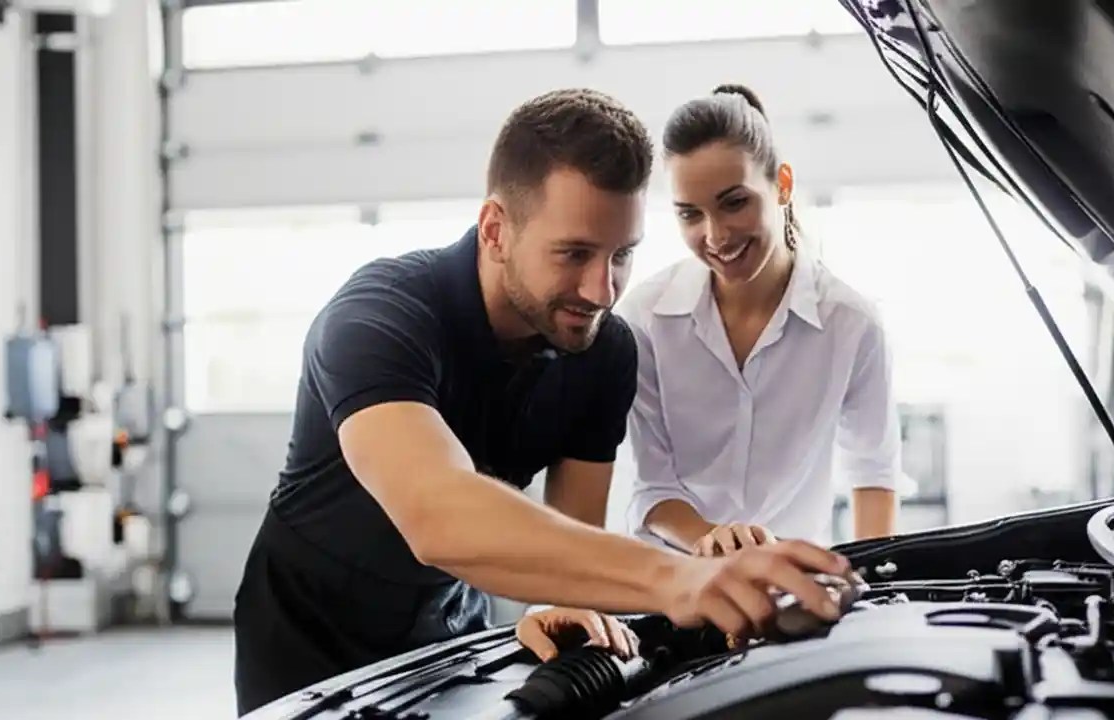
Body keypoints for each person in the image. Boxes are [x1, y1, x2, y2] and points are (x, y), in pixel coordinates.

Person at [233, 88, 858, 716]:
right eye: (575, 253)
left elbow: (574, 534)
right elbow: (436, 514)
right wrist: (680, 577)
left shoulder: (604, 352)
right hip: (307, 638)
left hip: (449, 626)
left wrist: (559, 603)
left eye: (622, 255)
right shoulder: (379, 316)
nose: (603, 290)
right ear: (495, 230)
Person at [618, 84, 902, 558]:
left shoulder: (852, 325)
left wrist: (869, 584)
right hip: (672, 578)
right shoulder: (643, 321)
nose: (715, 236)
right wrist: (716, 544)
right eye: (690, 214)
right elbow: (651, 487)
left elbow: (873, 473)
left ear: (782, 184)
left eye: (734, 203)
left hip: (795, 582)